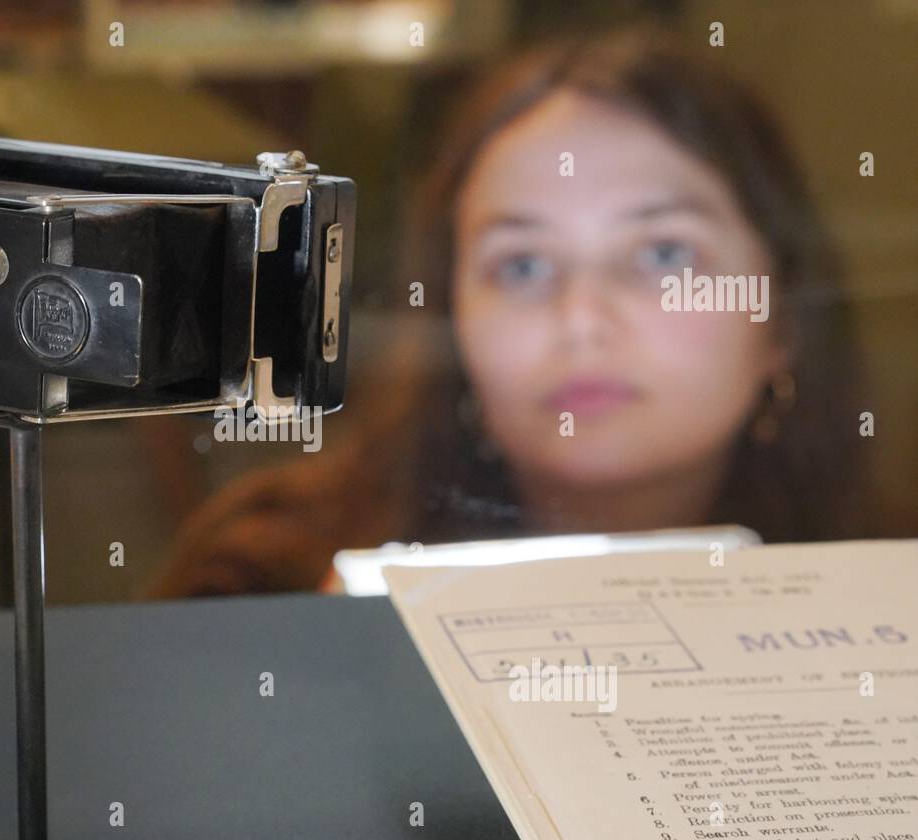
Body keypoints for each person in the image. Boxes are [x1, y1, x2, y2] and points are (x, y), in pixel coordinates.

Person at [147, 28, 876, 599]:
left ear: (781, 314)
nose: (581, 318)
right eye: (522, 265)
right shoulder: (265, 579)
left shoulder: (883, 581)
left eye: (662, 255)